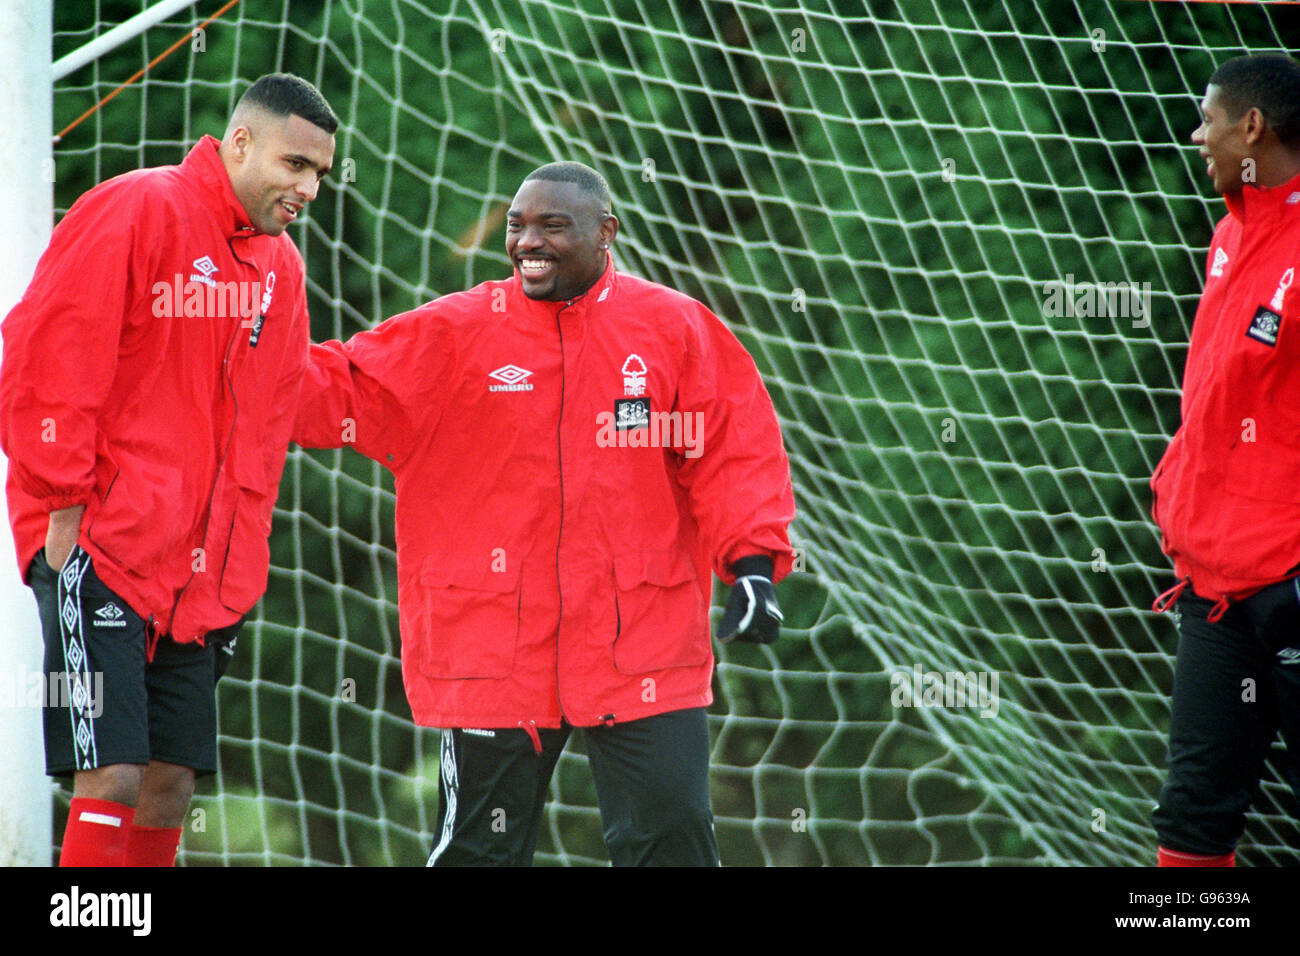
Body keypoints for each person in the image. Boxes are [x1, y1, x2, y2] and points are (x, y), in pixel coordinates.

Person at [293, 161, 795, 866]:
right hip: (494, 650)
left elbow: (732, 453)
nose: (529, 240)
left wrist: (752, 570)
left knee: (672, 839)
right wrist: (233, 340)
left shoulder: (673, 330)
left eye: (553, 225)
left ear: (606, 234)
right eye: (517, 226)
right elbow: (332, 389)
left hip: (643, 644)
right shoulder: (455, 333)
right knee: (479, 854)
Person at [0, 73, 337, 866]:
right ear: (241, 142)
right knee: (110, 774)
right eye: (295, 165)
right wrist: (62, 510)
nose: (309, 188)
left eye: (320, 173)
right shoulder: (139, 206)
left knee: (170, 786)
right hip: (102, 547)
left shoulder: (281, 271)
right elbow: (48, 357)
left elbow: (279, 410)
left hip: (202, 576)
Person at [1149, 53, 1300, 867]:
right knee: (1190, 828)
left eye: (1208, 118)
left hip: (1290, 585)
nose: (1196, 135)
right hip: (1213, 590)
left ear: (1252, 127)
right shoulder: (1232, 231)